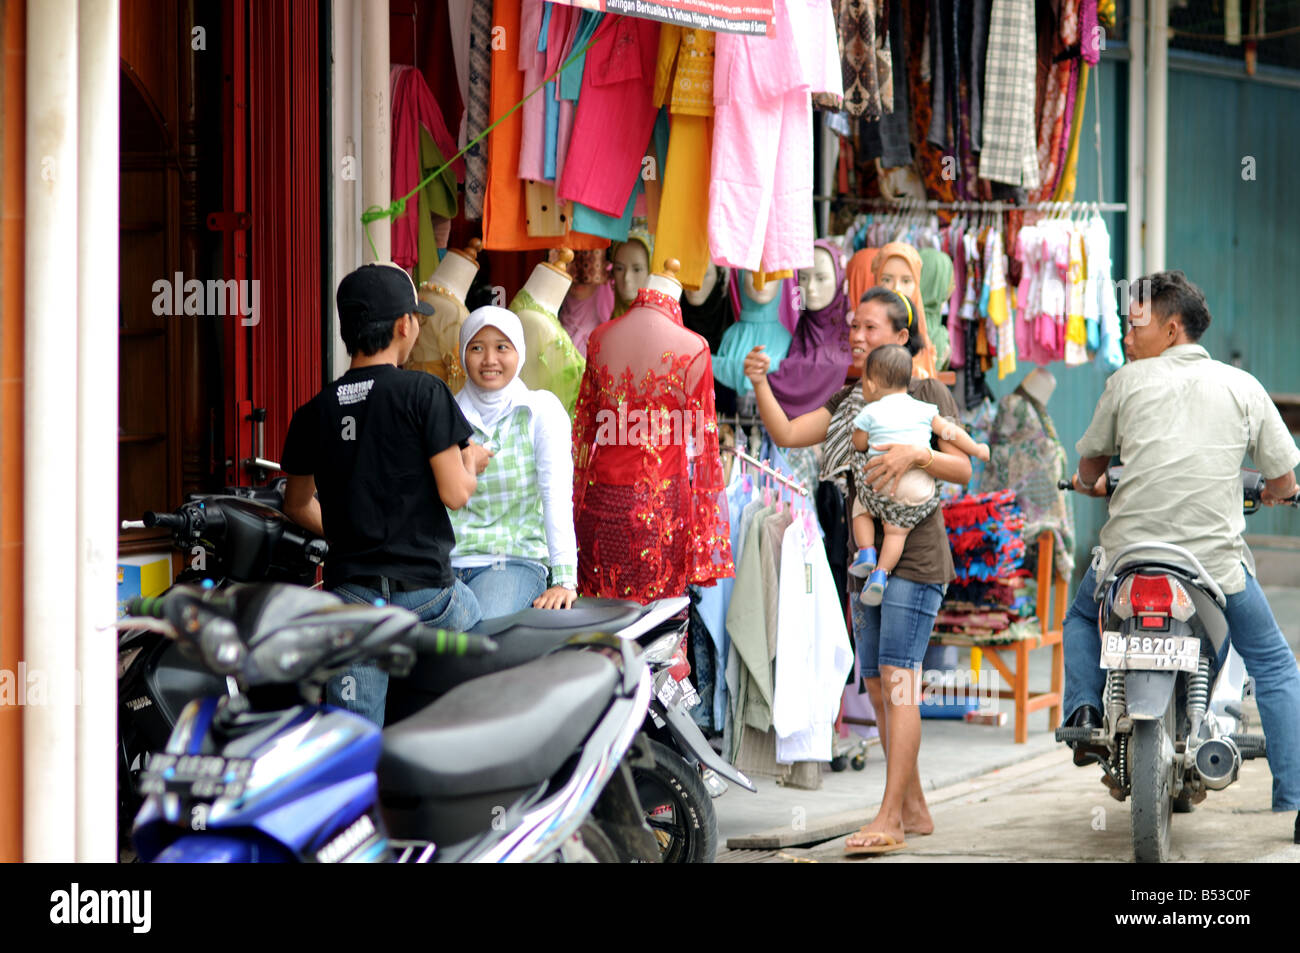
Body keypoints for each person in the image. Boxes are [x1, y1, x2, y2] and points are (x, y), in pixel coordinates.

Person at [1062, 271, 1300, 841]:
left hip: (1127, 558)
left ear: (1170, 328)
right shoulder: (1243, 386)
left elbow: (1091, 469)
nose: (1125, 335)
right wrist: (1275, 493)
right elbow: (1284, 479)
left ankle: (1085, 712)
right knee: (1273, 664)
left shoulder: (1124, 382)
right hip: (1212, 564)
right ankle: (1292, 799)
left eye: (1133, 324)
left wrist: (1089, 480)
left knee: (1077, 619)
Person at [743, 285, 972, 855]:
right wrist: (758, 384)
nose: (857, 336)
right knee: (875, 684)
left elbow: (964, 466)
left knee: (899, 684)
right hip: (863, 565)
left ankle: (890, 817)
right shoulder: (853, 399)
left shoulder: (929, 395)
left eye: (871, 328)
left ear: (901, 335)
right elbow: (788, 434)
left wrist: (917, 454)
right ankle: (915, 808)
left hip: (915, 562)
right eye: (853, 327)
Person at [281, 262, 490, 727]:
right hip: (429, 600)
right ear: (404, 325)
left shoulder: (313, 412)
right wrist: (471, 463)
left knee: (352, 741)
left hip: (353, 601)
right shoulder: (424, 393)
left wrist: (350, 531)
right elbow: (456, 494)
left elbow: (296, 504)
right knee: (490, 625)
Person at [449, 306, 579, 615]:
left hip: (513, 563)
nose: (489, 360)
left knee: (475, 633)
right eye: (477, 348)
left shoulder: (540, 411)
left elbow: (555, 494)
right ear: (464, 354)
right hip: (446, 565)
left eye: (501, 347)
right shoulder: (445, 413)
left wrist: (564, 579)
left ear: (518, 351)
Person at [849, 342, 989, 605]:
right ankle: (881, 574)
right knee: (896, 532)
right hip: (916, 487)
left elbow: (859, 444)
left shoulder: (869, 411)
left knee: (861, 509)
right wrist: (976, 448)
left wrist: (862, 436)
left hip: (881, 483)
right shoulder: (925, 410)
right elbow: (950, 432)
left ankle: (866, 553)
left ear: (874, 383)